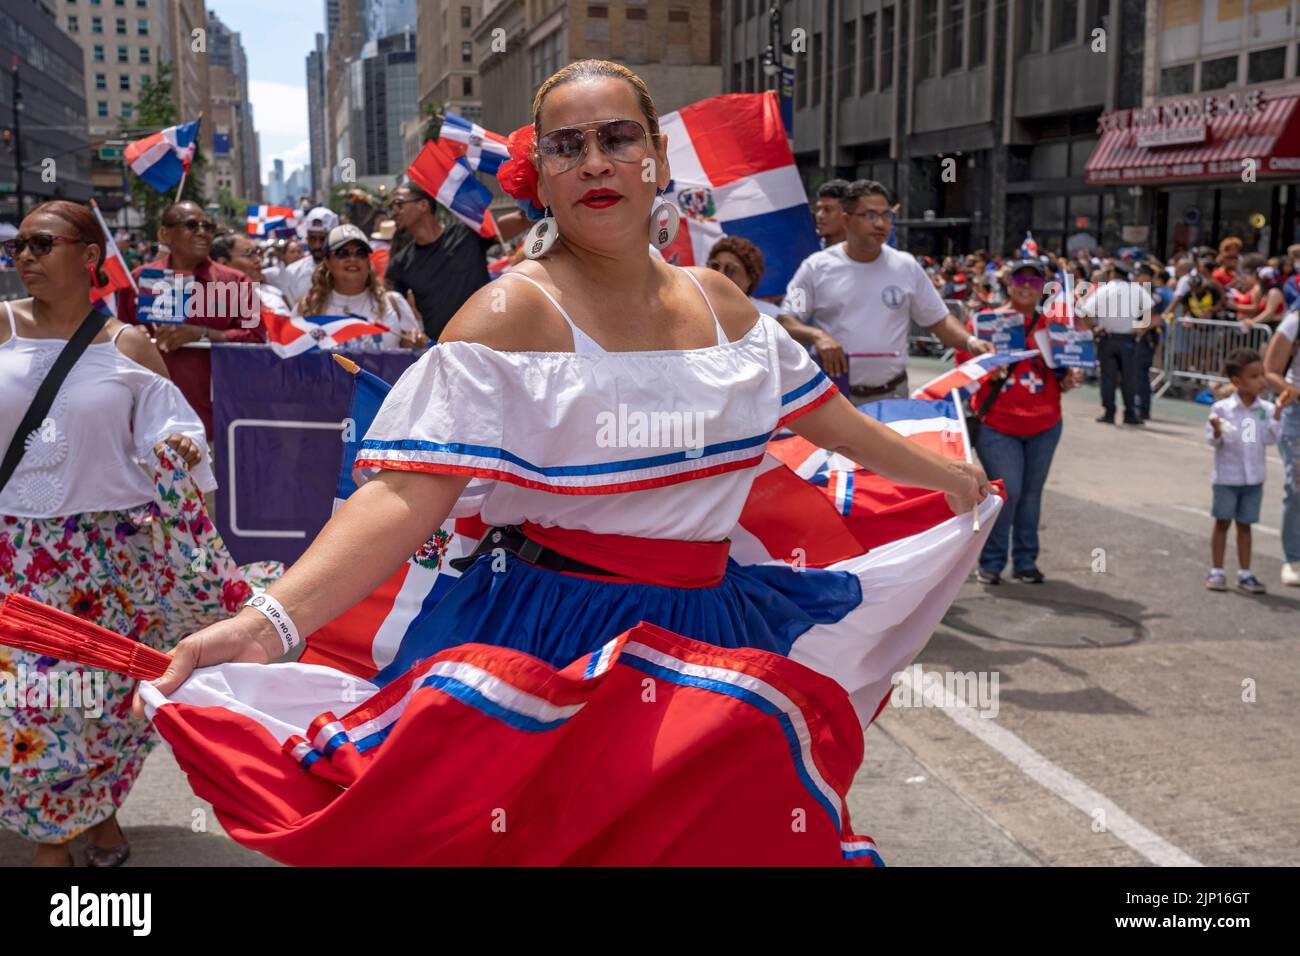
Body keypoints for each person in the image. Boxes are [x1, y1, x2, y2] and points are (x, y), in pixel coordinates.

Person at [130, 59, 992, 866]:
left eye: (618, 139)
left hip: (717, 629)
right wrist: (265, 623)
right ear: (539, 175)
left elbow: (836, 424)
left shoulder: (723, 305)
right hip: (554, 640)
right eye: (567, 147)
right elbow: (402, 498)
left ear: (656, 160)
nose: (595, 162)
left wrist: (951, 478)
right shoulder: (509, 315)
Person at [0, 201, 262, 866]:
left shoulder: (127, 345)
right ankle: (52, 838)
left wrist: (176, 451)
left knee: (104, 699)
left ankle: (102, 812)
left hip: (109, 556)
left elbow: (180, 448)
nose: (24, 256)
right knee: (30, 704)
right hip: (17, 551)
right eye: (19, 245)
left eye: (42, 243)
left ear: (89, 258)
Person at [778, 179, 992, 403]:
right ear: (847, 220)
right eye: (869, 215)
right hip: (835, 399)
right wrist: (817, 336)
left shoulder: (906, 266)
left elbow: (938, 320)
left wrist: (971, 342)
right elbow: (788, 319)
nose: (880, 224)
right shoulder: (815, 268)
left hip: (893, 395)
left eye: (886, 215)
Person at [957, 258, 1083, 585]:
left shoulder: (1055, 326)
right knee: (1008, 490)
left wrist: (1071, 378)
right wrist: (988, 368)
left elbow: (1063, 374)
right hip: (998, 423)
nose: (1027, 285)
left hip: (1046, 423)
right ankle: (992, 561)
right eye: (1020, 278)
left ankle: (1026, 561)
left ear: (1043, 287)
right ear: (1009, 282)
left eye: (1035, 280)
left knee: (1031, 493)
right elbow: (965, 367)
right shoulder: (985, 322)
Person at [117, 201, 267, 437]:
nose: (202, 232)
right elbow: (118, 344)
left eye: (207, 226)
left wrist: (203, 333)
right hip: (153, 424)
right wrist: (137, 339)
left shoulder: (236, 283)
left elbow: (257, 338)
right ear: (165, 234)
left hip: (217, 424)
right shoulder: (139, 281)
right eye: (191, 225)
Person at [385, 183, 528, 340]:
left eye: (398, 204)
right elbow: (393, 314)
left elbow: (516, 223)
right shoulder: (399, 265)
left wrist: (537, 207)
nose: (393, 213)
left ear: (423, 205)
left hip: (488, 343)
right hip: (443, 353)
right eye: (392, 207)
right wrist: (416, 336)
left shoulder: (467, 233)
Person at [1205, 349, 1280, 594]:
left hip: (1253, 478)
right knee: (1222, 522)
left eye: (1262, 375)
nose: (1262, 381)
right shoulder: (1222, 408)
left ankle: (1244, 573)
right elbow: (1215, 442)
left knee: (1245, 525)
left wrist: (1278, 415)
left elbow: (1270, 438)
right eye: (1254, 376)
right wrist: (1216, 431)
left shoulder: (1265, 409)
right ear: (1237, 381)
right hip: (1228, 477)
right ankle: (1217, 570)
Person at [294, 224, 427, 350]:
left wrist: (418, 343)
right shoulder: (307, 307)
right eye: (342, 253)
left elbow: (415, 359)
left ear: (368, 261)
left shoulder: (394, 304)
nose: (352, 258)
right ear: (327, 262)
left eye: (361, 253)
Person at [1076, 261, 1153, 425]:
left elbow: (1085, 313)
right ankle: (1130, 413)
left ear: (1113, 274)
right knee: (1129, 378)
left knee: (1107, 378)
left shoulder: (1104, 290)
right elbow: (1149, 315)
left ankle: (1109, 412)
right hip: (1129, 339)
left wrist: (1094, 329)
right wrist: (1140, 329)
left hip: (1108, 338)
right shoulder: (1138, 290)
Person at [1263, 308, 1300, 586]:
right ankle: (1294, 558)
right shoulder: (1294, 322)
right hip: (1297, 414)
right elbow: (1271, 372)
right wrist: (1295, 391)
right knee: (1297, 486)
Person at [273, 206, 339, 308]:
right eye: (312, 239)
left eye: (323, 239)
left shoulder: (347, 270)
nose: (317, 245)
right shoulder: (292, 272)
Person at [705, 235, 780, 317]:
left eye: (730, 269)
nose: (719, 273)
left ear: (750, 278)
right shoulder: (694, 310)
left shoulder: (771, 317)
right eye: (715, 266)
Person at [813, 179, 849, 248]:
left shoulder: (866, 254)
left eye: (827, 210)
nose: (819, 215)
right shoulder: (805, 251)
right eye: (818, 209)